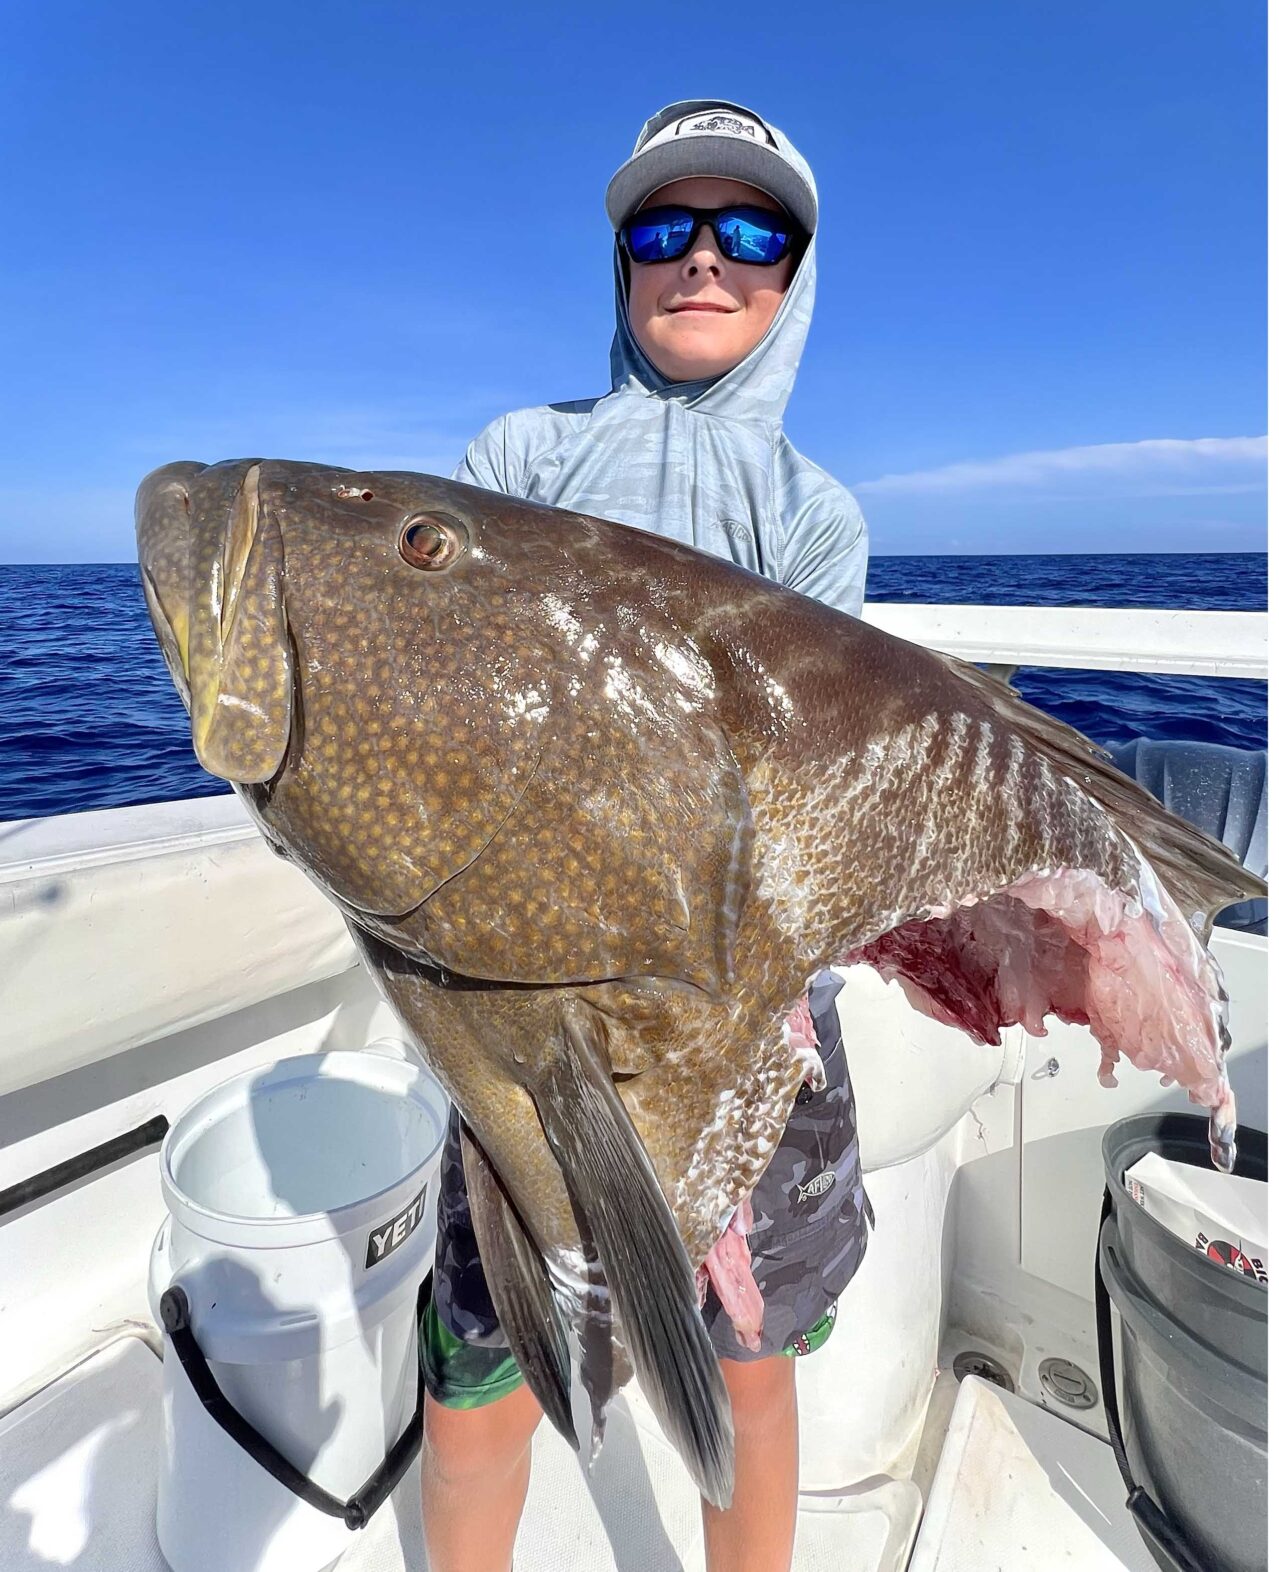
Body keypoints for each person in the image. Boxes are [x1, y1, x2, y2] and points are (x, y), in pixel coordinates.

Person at [418, 98, 874, 1572]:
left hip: (754, 1000)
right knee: (485, 1337)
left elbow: (805, 774)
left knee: (750, 1341)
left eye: (748, 232)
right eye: (662, 229)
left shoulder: (818, 518)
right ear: (618, 261)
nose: (701, 260)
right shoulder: (515, 456)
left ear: (795, 273)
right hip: (522, 989)